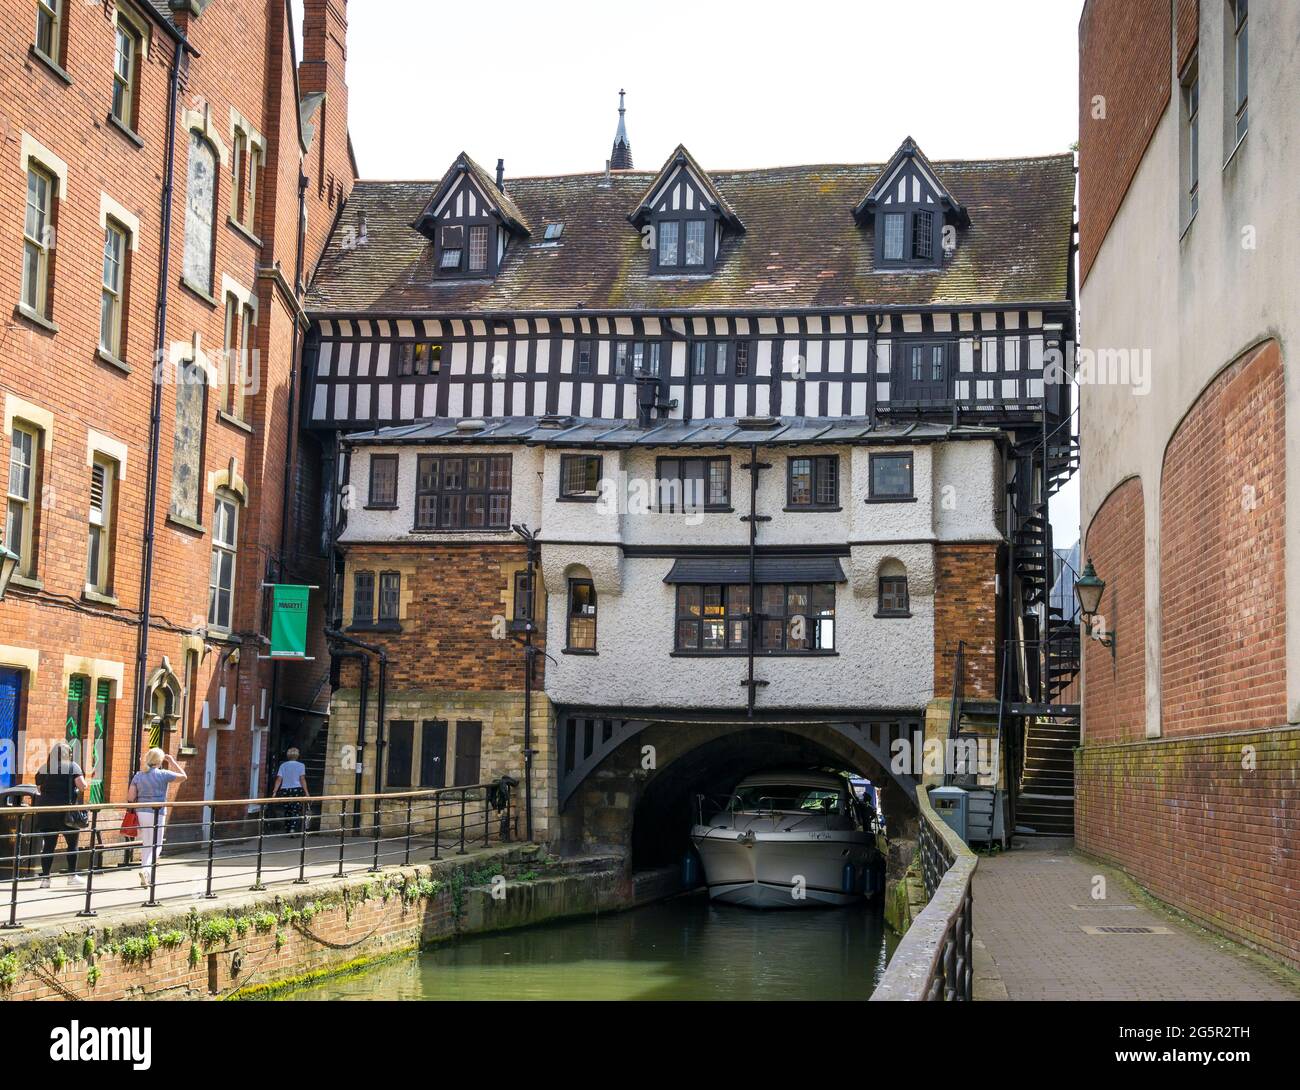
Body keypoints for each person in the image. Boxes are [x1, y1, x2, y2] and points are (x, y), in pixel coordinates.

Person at [127, 748, 186, 889]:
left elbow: (130, 797)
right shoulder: (164, 774)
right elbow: (184, 776)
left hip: (141, 811)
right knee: (157, 844)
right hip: (158, 812)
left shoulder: (138, 775)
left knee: (146, 843)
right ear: (160, 761)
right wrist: (172, 761)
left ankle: (145, 873)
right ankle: (146, 870)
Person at [33, 741, 88, 889]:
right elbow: (82, 786)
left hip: (47, 811)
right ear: (68, 754)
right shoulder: (73, 766)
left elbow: (39, 788)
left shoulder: (44, 768)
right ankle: (71, 876)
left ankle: (45, 879)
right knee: (72, 844)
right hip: (66, 812)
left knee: (48, 846)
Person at [272, 748, 309, 834]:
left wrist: (275, 791)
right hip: (297, 789)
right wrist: (306, 792)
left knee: (287, 809)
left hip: (285, 790)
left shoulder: (283, 765)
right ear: (297, 755)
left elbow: (279, 779)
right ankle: (293, 828)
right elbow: (302, 779)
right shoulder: (301, 765)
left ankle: (288, 828)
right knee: (295, 810)